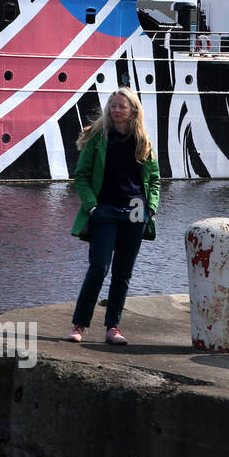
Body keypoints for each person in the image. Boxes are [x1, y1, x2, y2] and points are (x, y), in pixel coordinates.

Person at [67, 87, 160, 345]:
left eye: (121, 106)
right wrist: (93, 207)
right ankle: (79, 325)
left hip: (135, 213)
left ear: (132, 111)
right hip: (105, 210)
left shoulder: (143, 141)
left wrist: (150, 209)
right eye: (113, 105)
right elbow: (82, 177)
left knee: (123, 273)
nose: (116, 110)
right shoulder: (99, 138)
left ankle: (113, 329)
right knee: (98, 268)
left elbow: (154, 180)